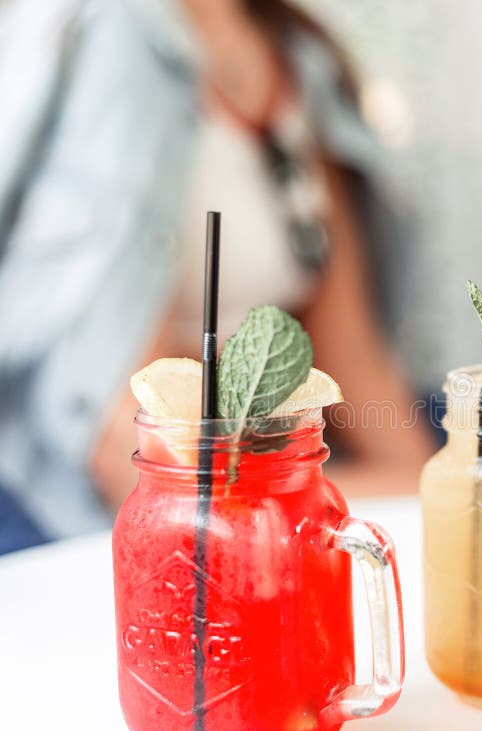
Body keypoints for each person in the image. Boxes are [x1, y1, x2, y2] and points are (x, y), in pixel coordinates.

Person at [0, 0, 434, 549]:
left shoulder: (296, 56)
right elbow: (137, 451)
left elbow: (353, 360)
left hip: (268, 464)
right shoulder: (117, 38)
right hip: (123, 508)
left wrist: (434, 484)